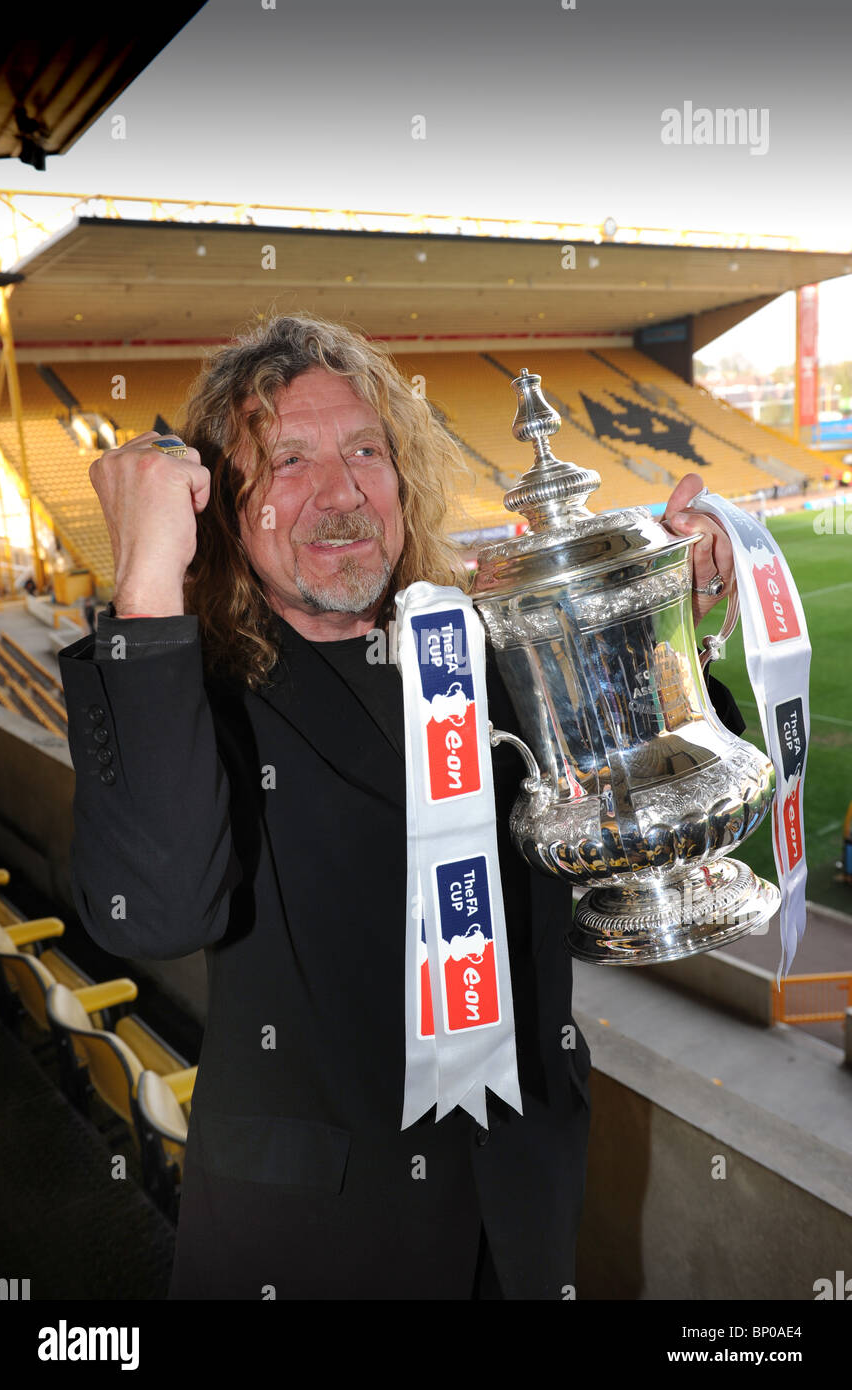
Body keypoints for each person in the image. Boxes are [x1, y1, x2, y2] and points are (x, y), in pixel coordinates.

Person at [58, 313, 739, 1300]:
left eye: (366, 450)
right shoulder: (197, 691)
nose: (339, 493)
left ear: (403, 475)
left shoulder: (490, 642)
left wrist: (664, 610)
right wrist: (148, 577)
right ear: (222, 507)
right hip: (310, 1248)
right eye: (287, 459)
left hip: (522, 1214)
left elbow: (651, 793)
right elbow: (151, 912)